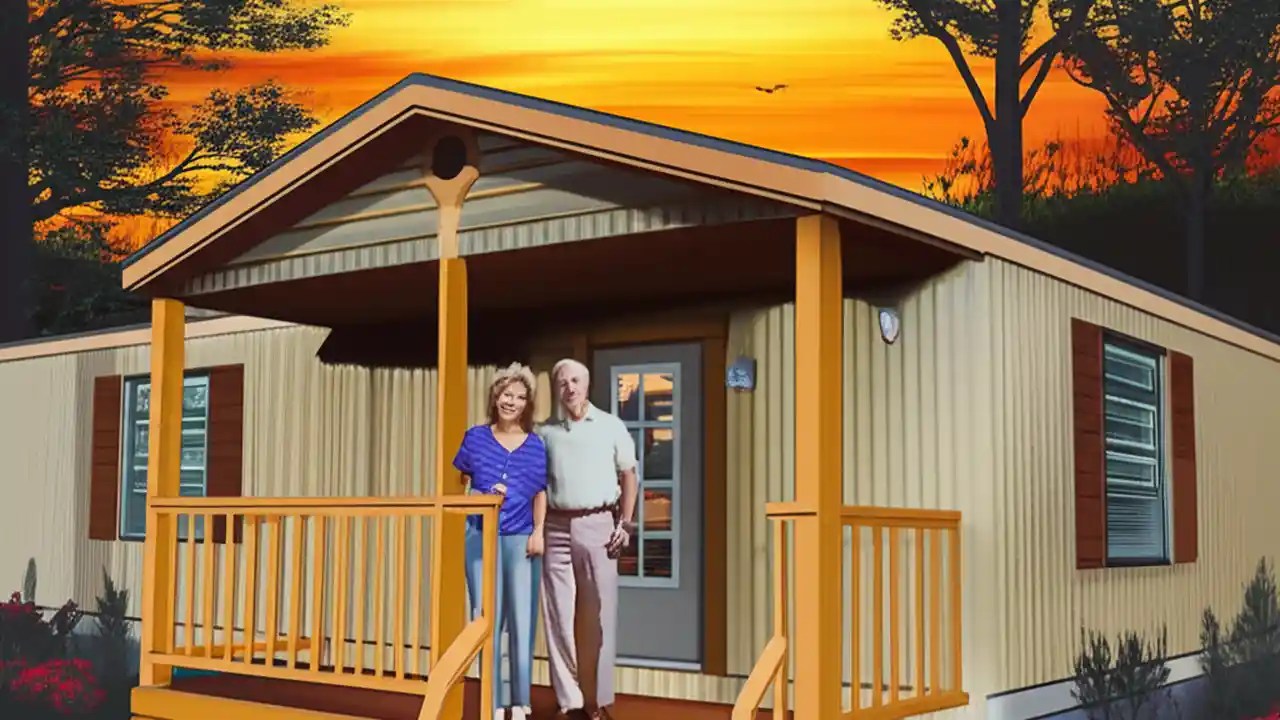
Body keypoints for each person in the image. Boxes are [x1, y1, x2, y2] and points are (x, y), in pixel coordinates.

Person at [536, 358, 639, 720]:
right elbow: (537, 486)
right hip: (556, 527)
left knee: (600, 617)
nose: (570, 388)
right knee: (558, 617)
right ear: (557, 389)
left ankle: (599, 702)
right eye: (562, 383)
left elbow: (629, 475)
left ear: (587, 384)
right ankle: (571, 701)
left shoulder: (610, 426)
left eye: (575, 381)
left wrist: (625, 524)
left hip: (598, 524)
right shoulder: (545, 433)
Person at [453, 363, 547, 720]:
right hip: (481, 536)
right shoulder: (475, 437)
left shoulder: (536, 445)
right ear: (496, 397)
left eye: (520, 397)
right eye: (508, 395)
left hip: (521, 538)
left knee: (522, 618)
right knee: (486, 618)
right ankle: (492, 701)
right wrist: (481, 494)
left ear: (527, 404)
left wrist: (539, 532)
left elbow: (540, 492)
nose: (513, 402)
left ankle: (520, 701)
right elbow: (464, 479)